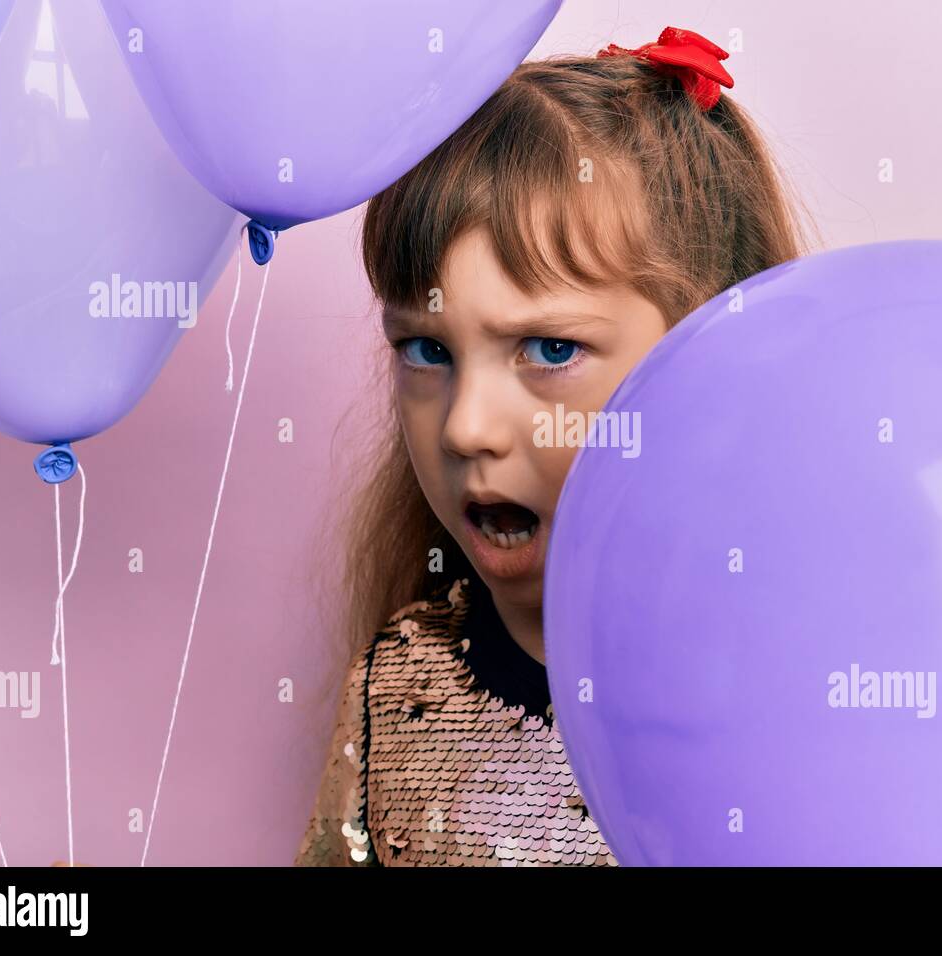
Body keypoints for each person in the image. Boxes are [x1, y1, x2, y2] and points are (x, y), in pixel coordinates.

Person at [296, 26, 812, 866]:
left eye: (550, 349)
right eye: (428, 350)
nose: (467, 427)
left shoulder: (804, 695)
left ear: (710, 359)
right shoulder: (399, 687)